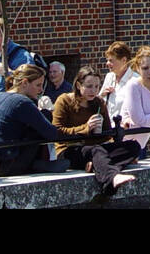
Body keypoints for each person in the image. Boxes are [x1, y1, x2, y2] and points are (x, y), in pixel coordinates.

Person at [52, 65, 138, 194]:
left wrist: (114, 130)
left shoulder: (98, 103)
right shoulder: (64, 101)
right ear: (78, 85)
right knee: (96, 150)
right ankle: (112, 177)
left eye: (97, 87)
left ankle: (94, 165)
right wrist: (86, 128)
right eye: (89, 86)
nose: (93, 91)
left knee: (133, 146)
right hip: (69, 149)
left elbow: (107, 134)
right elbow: (57, 132)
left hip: (95, 148)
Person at [0, 64, 70, 175]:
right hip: (4, 163)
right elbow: (52, 134)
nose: (41, 90)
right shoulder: (22, 102)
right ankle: (36, 164)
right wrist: (46, 112)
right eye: (38, 85)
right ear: (25, 83)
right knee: (42, 121)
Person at [0, 18, 33, 125]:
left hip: (10, 118)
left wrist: (8, 72)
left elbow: (31, 84)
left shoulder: (22, 56)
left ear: (5, 38)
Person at [98, 42, 136, 126]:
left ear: (124, 60)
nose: (107, 63)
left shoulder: (135, 80)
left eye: (111, 60)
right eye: (107, 60)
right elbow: (100, 102)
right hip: (108, 131)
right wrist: (101, 95)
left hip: (125, 132)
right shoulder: (109, 77)